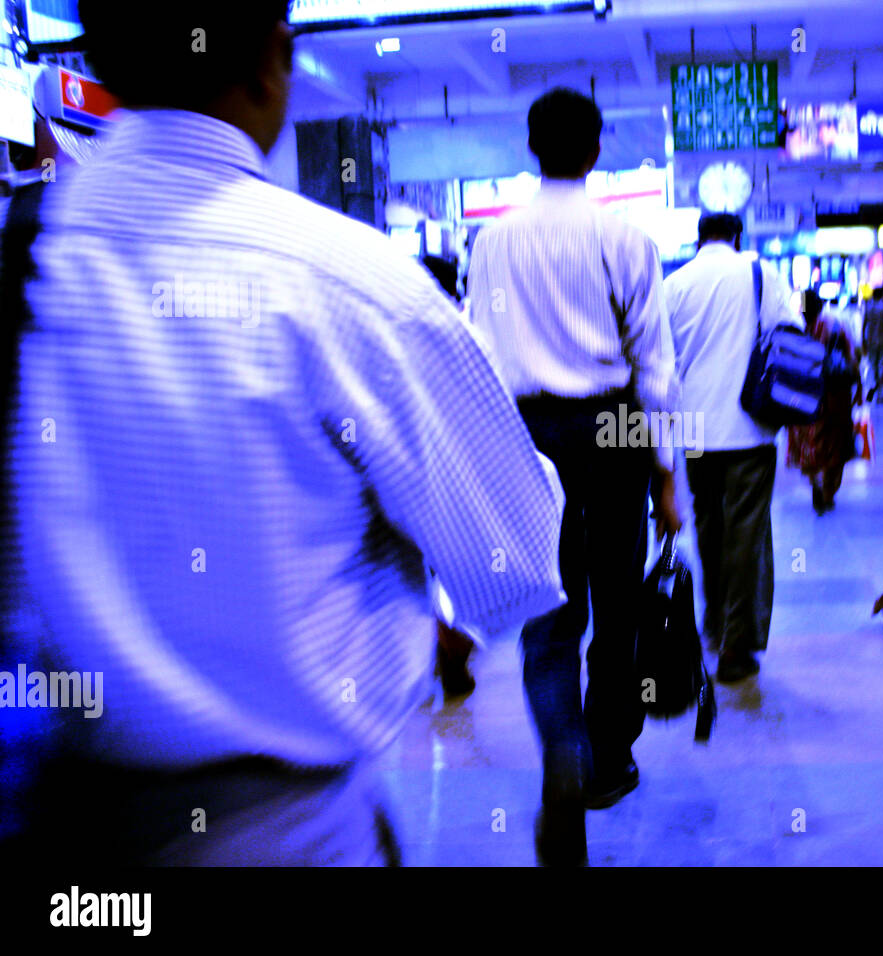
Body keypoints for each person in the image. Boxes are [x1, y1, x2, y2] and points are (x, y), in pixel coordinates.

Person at [0, 0, 566, 866]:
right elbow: (516, 557)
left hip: (61, 816)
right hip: (281, 832)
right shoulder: (349, 285)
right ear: (275, 60)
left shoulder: (37, 257)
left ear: (97, 56)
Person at [466, 87, 680, 865]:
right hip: (615, 426)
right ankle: (610, 756)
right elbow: (656, 365)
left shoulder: (491, 244)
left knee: (549, 618)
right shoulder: (623, 236)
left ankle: (563, 759)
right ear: (596, 151)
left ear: (530, 147)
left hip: (528, 435)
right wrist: (669, 475)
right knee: (618, 603)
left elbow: (478, 359)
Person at [663, 213, 802, 683]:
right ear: (738, 235)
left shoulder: (675, 284)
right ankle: (735, 648)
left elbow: (661, 358)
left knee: (709, 527)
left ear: (699, 238)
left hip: (696, 430)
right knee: (746, 534)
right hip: (749, 426)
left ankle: (715, 621)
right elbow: (791, 330)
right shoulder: (761, 273)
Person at [418, 254, 478, 700]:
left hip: (408, 463)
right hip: (461, 463)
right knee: (458, 569)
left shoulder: (394, 324)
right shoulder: (469, 327)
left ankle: (427, 654)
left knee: (415, 566)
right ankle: (452, 647)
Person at [788, 291, 861, 515]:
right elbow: (851, 357)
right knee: (835, 443)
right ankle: (829, 490)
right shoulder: (836, 327)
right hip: (835, 394)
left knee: (806, 441)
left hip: (804, 395)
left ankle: (816, 483)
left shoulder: (795, 330)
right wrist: (859, 387)